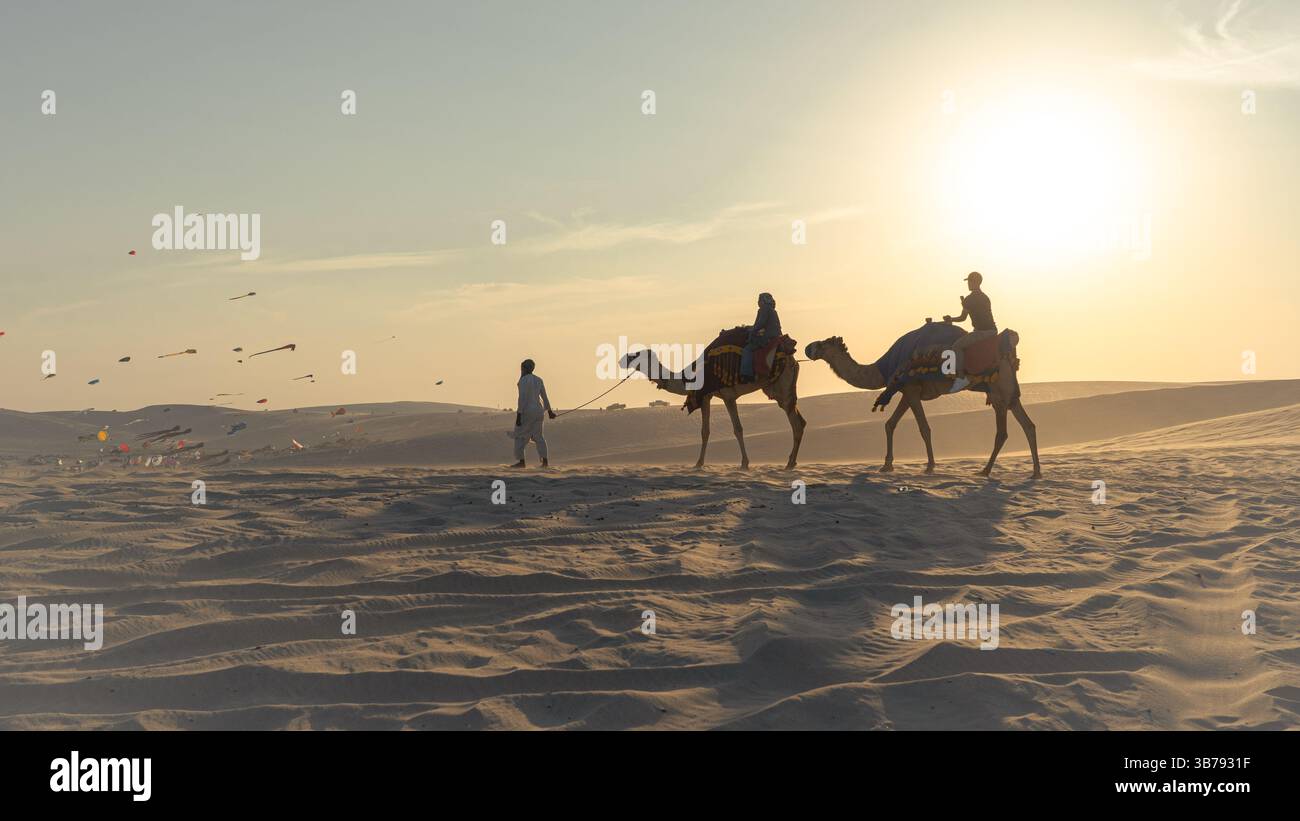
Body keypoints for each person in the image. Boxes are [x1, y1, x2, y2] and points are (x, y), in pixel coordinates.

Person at [943, 271, 998, 377]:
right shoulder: (985, 297)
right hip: (992, 330)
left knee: (956, 346)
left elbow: (962, 318)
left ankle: (960, 376)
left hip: (981, 332)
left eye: (970, 281)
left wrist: (950, 319)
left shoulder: (969, 299)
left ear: (975, 282)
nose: (968, 284)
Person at [510, 359, 557, 468]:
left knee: (520, 436)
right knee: (539, 436)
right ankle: (545, 462)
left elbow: (522, 398)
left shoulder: (523, 381)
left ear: (525, 368)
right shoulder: (539, 380)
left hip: (527, 412)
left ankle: (521, 462)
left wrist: (519, 415)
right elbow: (544, 397)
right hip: (538, 412)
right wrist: (549, 412)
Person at [740, 292, 781, 383]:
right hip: (775, 336)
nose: (758, 302)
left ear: (762, 301)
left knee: (747, 350)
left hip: (768, 338)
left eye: (759, 300)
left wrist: (750, 330)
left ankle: (747, 374)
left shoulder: (764, 309)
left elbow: (760, 324)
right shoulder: (772, 311)